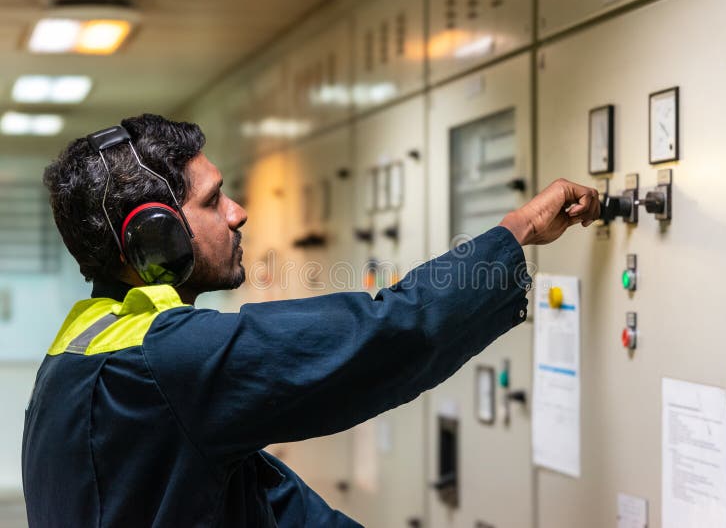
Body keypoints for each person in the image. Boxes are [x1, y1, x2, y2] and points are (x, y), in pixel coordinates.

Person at [22, 113, 600, 527]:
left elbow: (260, 496)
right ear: (154, 236)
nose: (238, 213)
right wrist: (518, 230)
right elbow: (389, 332)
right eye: (213, 200)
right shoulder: (168, 361)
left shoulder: (74, 351)